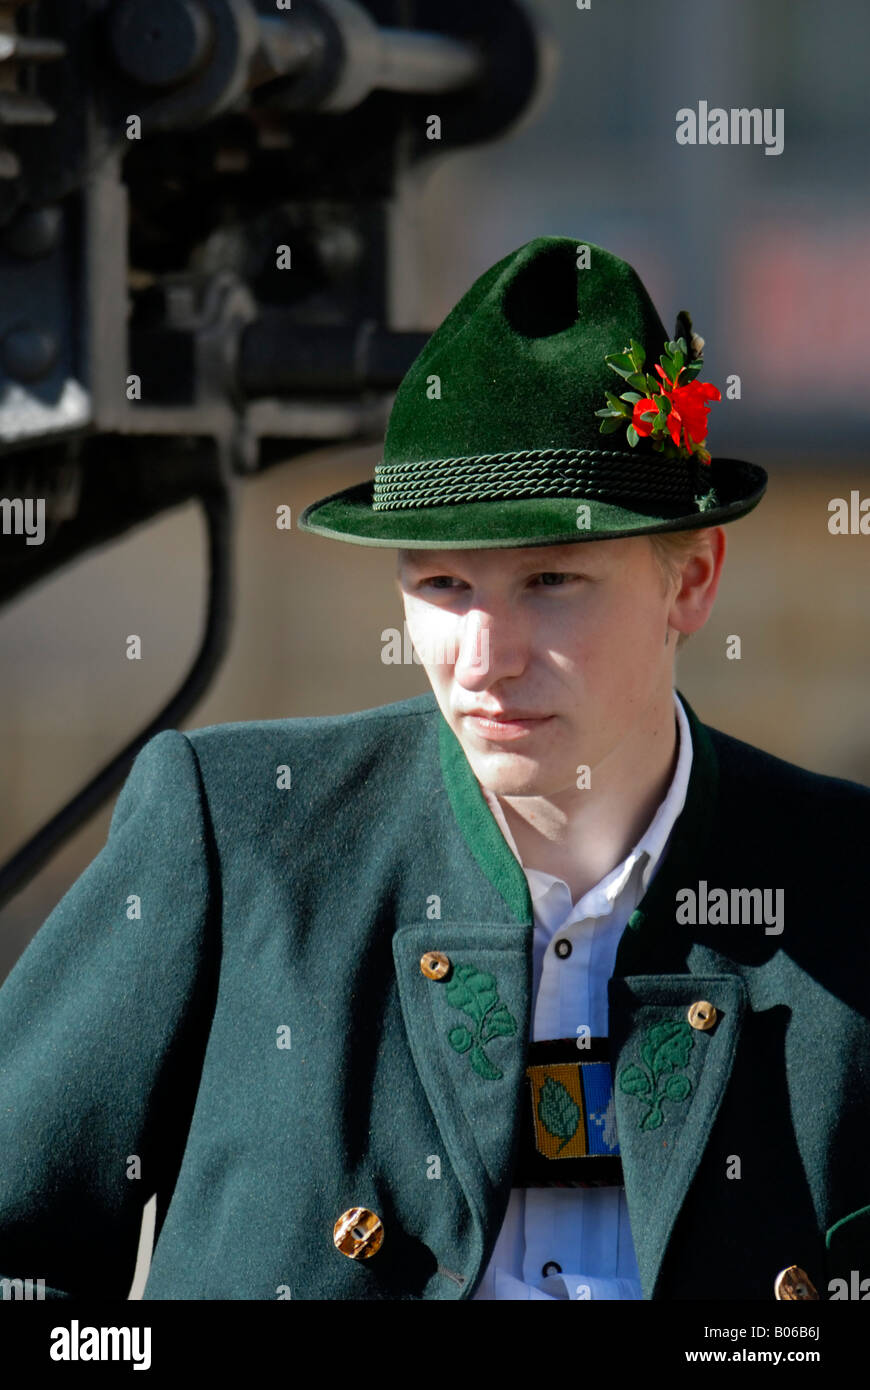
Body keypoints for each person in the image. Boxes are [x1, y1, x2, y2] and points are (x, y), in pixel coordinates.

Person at [0, 235, 867, 1303]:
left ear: (692, 582)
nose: (485, 656)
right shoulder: (232, 834)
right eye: (446, 583)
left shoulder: (850, 879)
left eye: (552, 580)